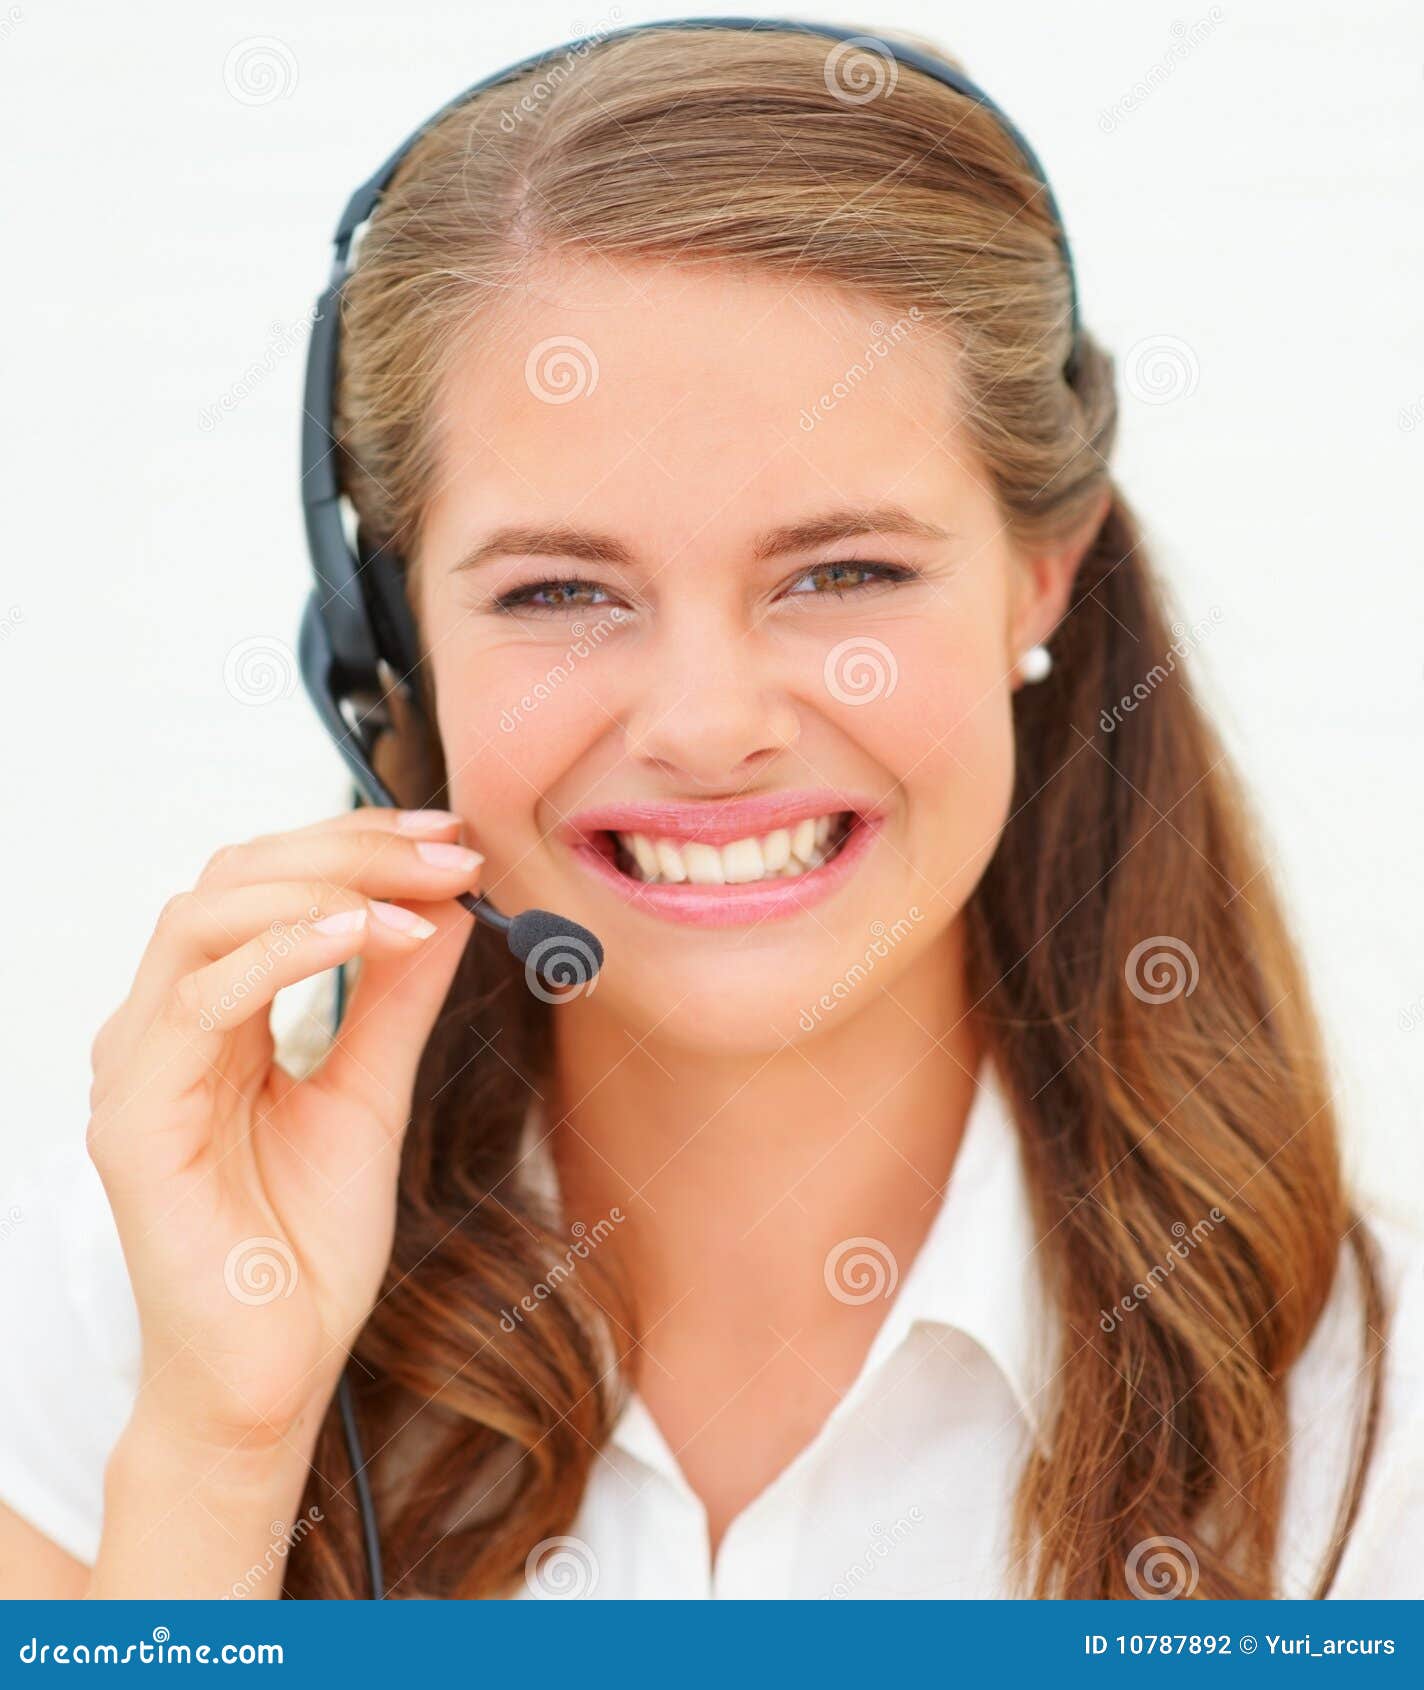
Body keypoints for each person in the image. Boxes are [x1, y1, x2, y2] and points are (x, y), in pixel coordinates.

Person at [2, 22, 1420, 1601]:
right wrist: (223, 1447)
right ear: (392, 639)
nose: (706, 725)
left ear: (1040, 574)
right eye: (560, 590)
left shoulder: (1376, 1419)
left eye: (844, 571)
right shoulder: (128, 1318)